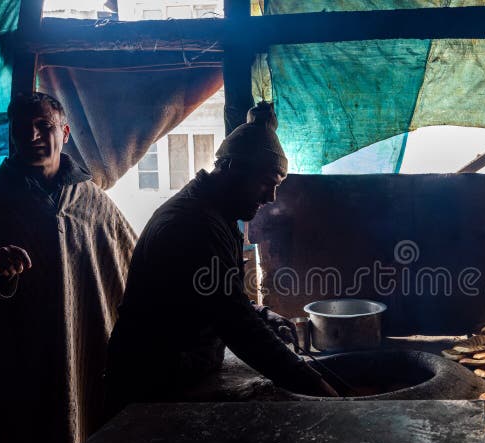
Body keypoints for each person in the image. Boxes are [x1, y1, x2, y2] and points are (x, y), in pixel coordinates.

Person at [0, 92, 136, 443]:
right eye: (21, 127)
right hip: (16, 365)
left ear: (64, 133)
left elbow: (130, 267)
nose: (32, 135)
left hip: (87, 362)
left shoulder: (94, 203)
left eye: (43, 126)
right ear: (10, 134)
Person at [105, 101, 337, 414]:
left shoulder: (218, 213)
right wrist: (318, 389)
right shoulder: (192, 224)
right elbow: (234, 323)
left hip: (181, 373)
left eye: (277, 186)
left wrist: (262, 314)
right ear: (232, 169)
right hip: (152, 386)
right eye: (266, 184)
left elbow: (214, 297)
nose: (270, 198)